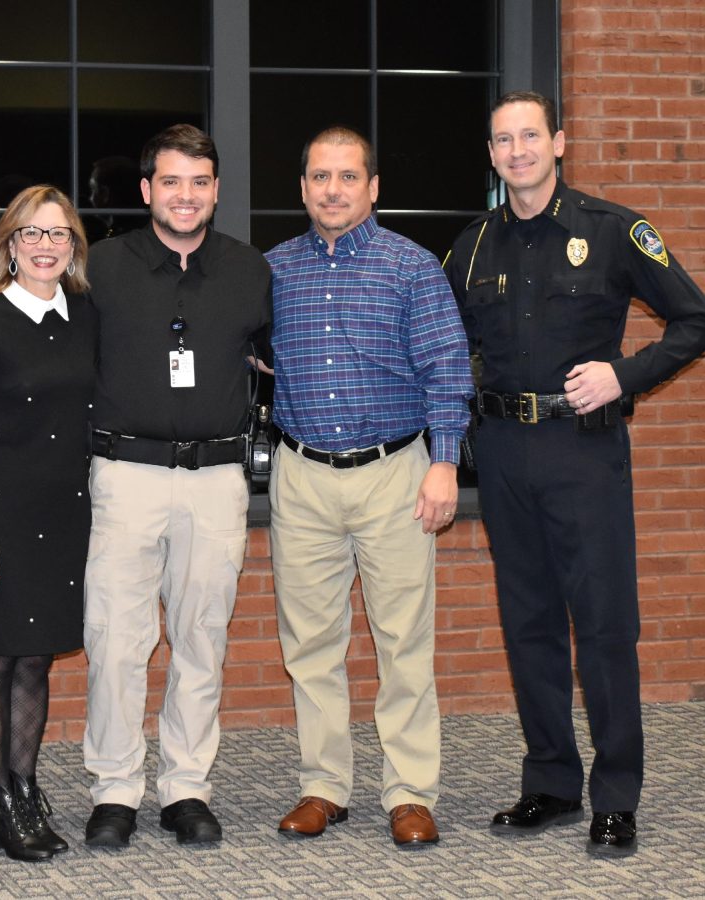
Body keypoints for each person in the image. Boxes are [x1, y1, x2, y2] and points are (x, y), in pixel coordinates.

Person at [443, 91, 705, 857]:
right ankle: (551, 783)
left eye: (530, 135)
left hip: (583, 453)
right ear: (493, 154)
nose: (517, 150)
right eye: (503, 139)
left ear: (558, 142)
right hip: (501, 452)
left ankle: (616, 796)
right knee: (528, 624)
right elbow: (438, 345)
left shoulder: (611, 229)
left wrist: (625, 375)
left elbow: (701, 320)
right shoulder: (469, 247)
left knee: (603, 628)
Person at [268, 126, 473, 849]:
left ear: (373, 186)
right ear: (302, 188)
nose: (332, 190)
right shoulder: (275, 270)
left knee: (402, 640)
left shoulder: (412, 267)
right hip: (302, 476)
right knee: (311, 643)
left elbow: (448, 370)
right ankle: (324, 786)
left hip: (395, 474)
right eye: (319, 177)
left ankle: (411, 792)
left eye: (347, 177)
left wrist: (444, 462)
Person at [81, 124, 272, 848]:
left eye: (199, 182)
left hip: (217, 477)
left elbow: (274, 357)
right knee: (117, 639)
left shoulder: (250, 270)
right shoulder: (100, 266)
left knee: (201, 638)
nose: (185, 196)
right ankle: (115, 789)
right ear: (146, 191)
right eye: (170, 182)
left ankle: (186, 786)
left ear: (216, 190)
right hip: (124, 476)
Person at [0, 185, 97, 862]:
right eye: (30, 235)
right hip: (0, 518)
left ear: (73, 247)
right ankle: (1, 801)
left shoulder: (86, 315)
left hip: (64, 515)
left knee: (37, 656)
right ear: (9, 246)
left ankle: (26, 786)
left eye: (58, 235)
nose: (44, 247)